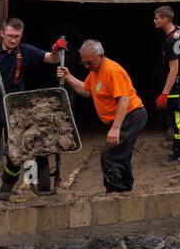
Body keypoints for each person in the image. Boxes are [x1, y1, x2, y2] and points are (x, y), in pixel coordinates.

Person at [0, 18, 65, 206]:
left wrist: (56, 49)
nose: (13, 40)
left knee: (17, 151)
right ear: (2, 34)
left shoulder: (25, 51)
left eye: (17, 37)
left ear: (21, 36)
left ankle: (7, 185)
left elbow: (51, 59)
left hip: (16, 106)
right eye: (9, 36)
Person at [58, 40, 147, 192]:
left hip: (131, 116)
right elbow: (86, 91)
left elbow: (124, 100)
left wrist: (115, 128)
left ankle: (114, 192)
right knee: (121, 155)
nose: (86, 66)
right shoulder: (95, 71)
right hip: (125, 117)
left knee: (109, 156)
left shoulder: (112, 71)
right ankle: (125, 189)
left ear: (100, 56)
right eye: (83, 62)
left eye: (89, 62)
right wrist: (68, 77)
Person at [153, 6, 180, 165]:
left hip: (175, 84)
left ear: (165, 19)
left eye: (157, 18)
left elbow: (174, 69)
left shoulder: (170, 41)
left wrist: (164, 93)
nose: (154, 21)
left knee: (177, 120)